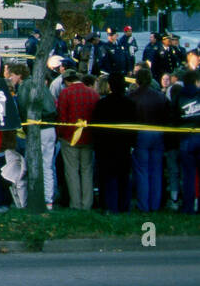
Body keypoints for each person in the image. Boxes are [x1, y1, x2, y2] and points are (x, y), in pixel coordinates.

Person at [13, 61, 59, 209]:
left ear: (18, 75)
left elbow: (22, 108)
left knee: (33, 164)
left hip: (38, 128)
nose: (10, 78)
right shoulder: (39, 83)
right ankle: (48, 199)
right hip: (50, 127)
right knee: (47, 165)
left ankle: (35, 197)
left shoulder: (25, 86)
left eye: (11, 75)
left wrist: (26, 129)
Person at [128, 66, 171, 212]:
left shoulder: (132, 97)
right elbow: (167, 115)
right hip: (158, 133)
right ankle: (155, 204)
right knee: (157, 170)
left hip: (140, 134)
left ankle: (144, 205)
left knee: (142, 171)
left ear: (137, 80)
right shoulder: (160, 96)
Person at [91, 73, 135, 213]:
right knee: (123, 177)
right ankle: (123, 206)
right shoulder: (130, 104)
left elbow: (95, 127)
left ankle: (109, 206)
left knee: (108, 178)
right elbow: (134, 126)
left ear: (109, 85)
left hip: (106, 147)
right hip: (123, 146)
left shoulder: (102, 104)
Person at [56, 71, 99, 211]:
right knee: (87, 170)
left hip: (69, 137)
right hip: (88, 137)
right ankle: (87, 203)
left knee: (72, 171)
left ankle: (75, 203)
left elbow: (62, 117)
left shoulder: (65, 93)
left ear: (67, 81)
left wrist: (60, 134)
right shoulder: (93, 93)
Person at [172, 69, 200, 215]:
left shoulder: (179, 96)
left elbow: (173, 117)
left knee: (188, 175)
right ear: (196, 81)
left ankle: (188, 207)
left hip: (185, 138)